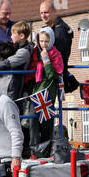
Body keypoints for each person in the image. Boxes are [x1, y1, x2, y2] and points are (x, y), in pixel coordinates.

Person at [30, 27, 66, 158]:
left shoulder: (56, 54)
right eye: (41, 41)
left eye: (46, 41)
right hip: (36, 90)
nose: (43, 44)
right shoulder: (35, 52)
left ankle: (45, 150)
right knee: (33, 121)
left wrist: (46, 61)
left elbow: (53, 75)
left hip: (48, 91)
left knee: (46, 123)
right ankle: (34, 150)